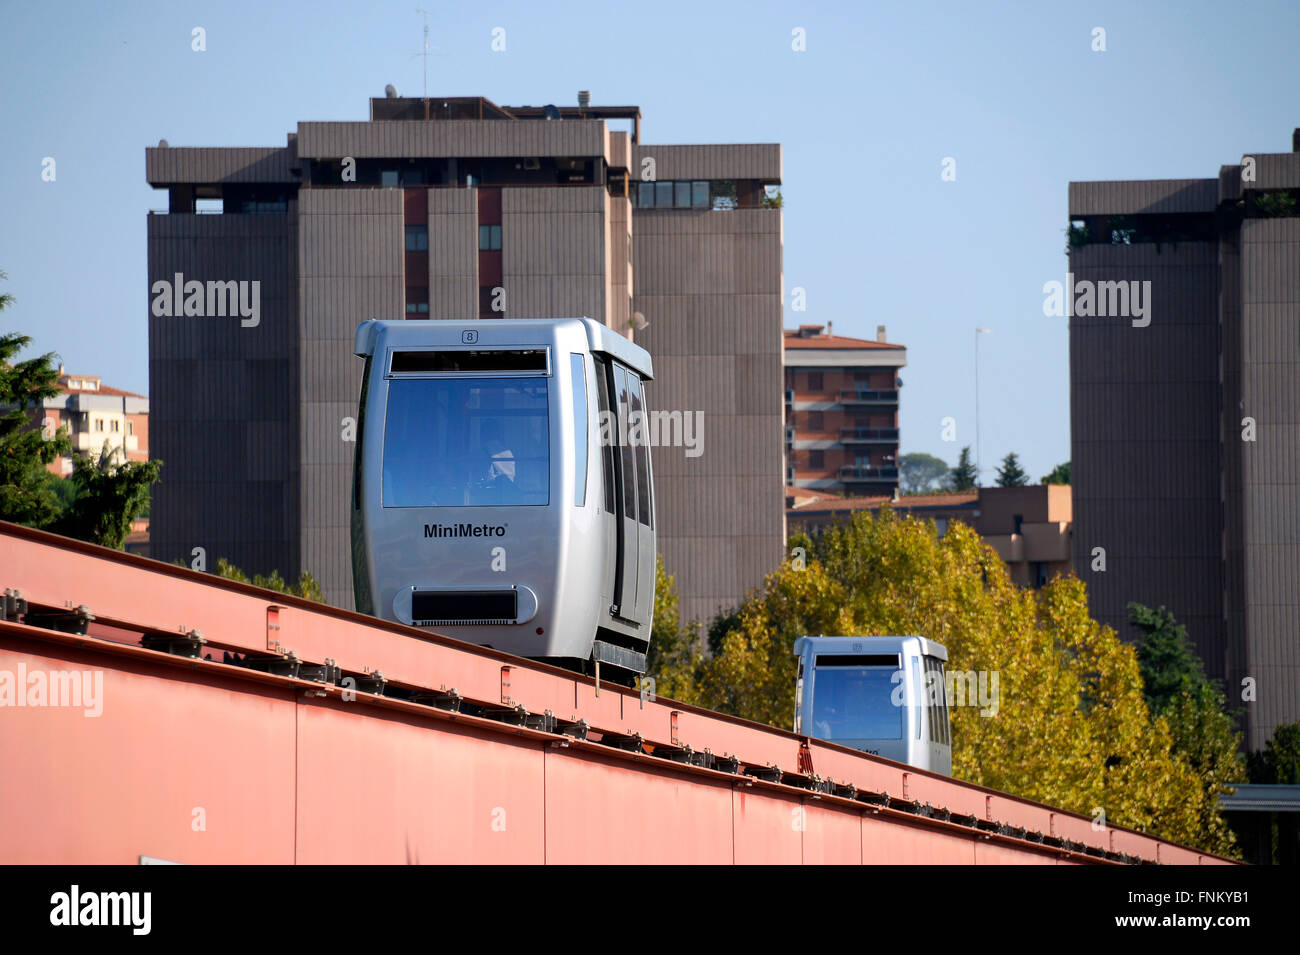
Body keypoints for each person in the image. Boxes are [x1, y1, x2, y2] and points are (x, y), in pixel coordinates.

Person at [480, 420, 515, 485]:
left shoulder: (482, 451)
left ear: (483, 434)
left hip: (489, 492)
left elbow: (462, 465)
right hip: (508, 492)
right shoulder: (509, 452)